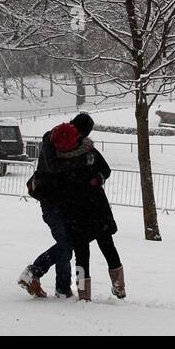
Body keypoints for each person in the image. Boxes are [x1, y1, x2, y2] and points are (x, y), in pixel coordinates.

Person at [17, 115, 94, 299]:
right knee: (66, 244)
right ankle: (34, 273)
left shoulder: (59, 140)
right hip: (52, 202)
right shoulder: (53, 140)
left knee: (66, 244)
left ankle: (62, 288)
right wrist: (82, 161)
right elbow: (53, 167)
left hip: (60, 202)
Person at [56, 117, 124, 302]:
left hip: (73, 212)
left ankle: (84, 294)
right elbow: (106, 170)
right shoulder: (89, 152)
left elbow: (58, 185)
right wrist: (98, 179)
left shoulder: (58, 154)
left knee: (81, 255)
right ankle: (119, 286)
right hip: (96, 208)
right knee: (107, 246)